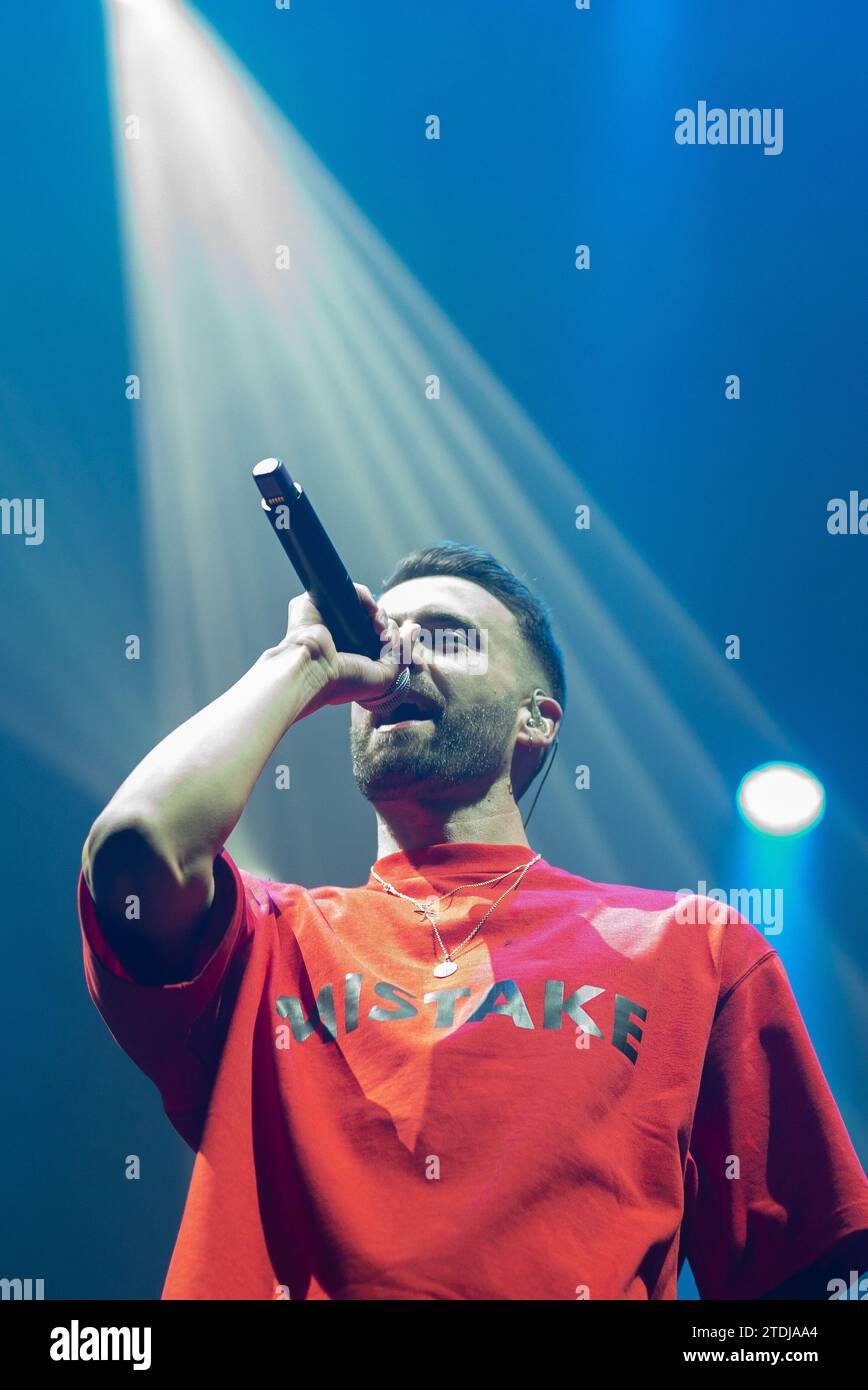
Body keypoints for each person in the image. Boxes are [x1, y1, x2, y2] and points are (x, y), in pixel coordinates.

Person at [78, 542, 868, 1300]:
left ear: (537, 720)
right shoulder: (266, 937)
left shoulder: (691, 947)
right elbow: (139, 848)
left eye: (447, 638)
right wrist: (307, 661)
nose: (401, 658)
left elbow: (805, 1286)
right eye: (386, 636)